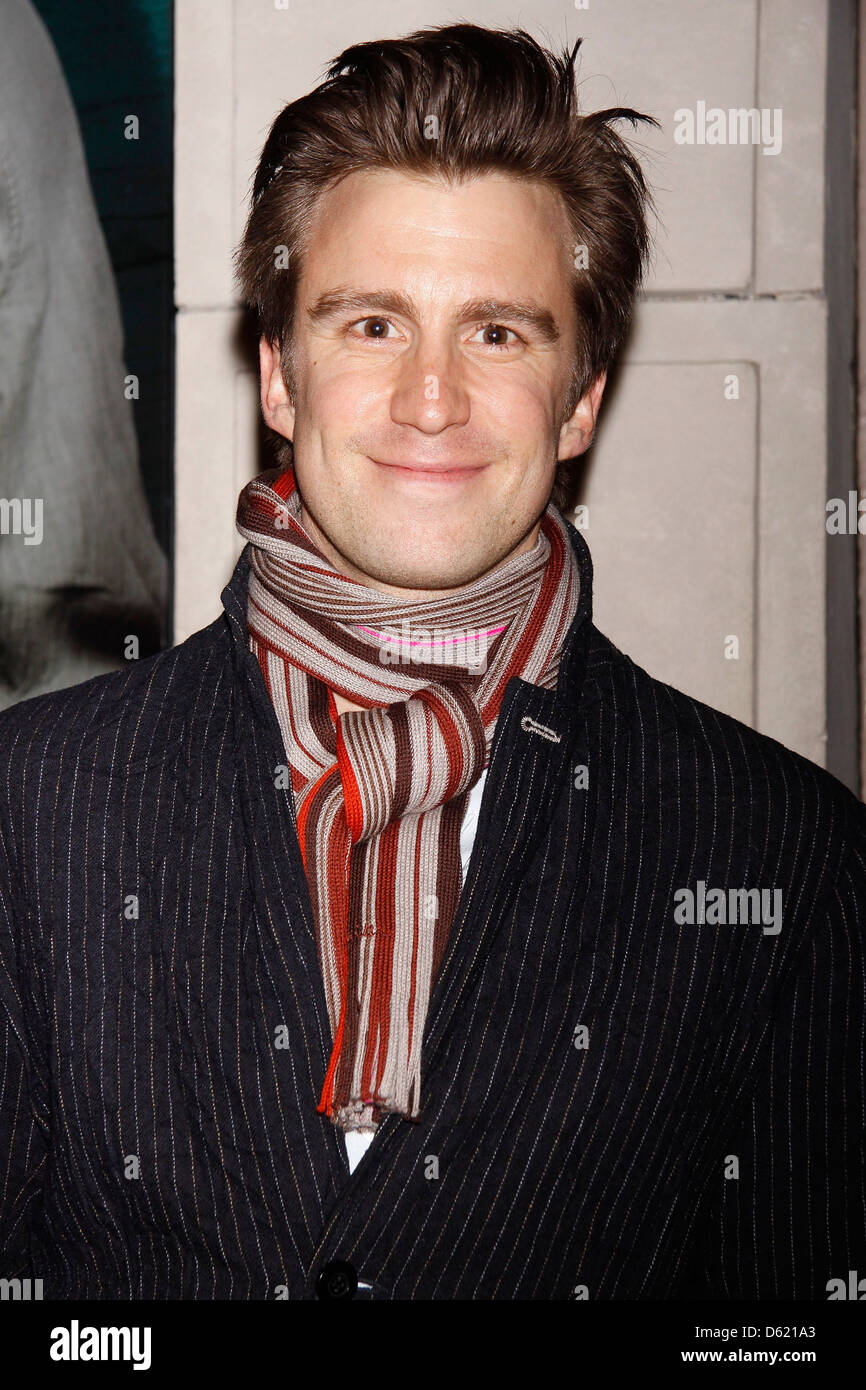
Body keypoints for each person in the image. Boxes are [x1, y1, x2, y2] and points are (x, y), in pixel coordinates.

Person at [0, 23, 863, 1302]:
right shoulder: (33, 809)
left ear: (579, 401)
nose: (431, 400)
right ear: (280, 374)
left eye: (499, 335)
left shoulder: (781, 861)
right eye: (369, 325)